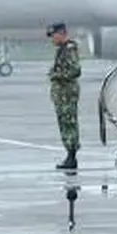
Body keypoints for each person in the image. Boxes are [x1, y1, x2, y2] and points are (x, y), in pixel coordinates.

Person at [46, 22, 81, 169]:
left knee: (69, 124)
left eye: (54, 35)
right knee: (64, 124)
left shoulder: (69, 49)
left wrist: (56, 75)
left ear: (62, 33)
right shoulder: (62, 49)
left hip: (67, 94)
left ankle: (72, 156)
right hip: (62, 95)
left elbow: (75, 70)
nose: (52, 39)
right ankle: (69, 154)